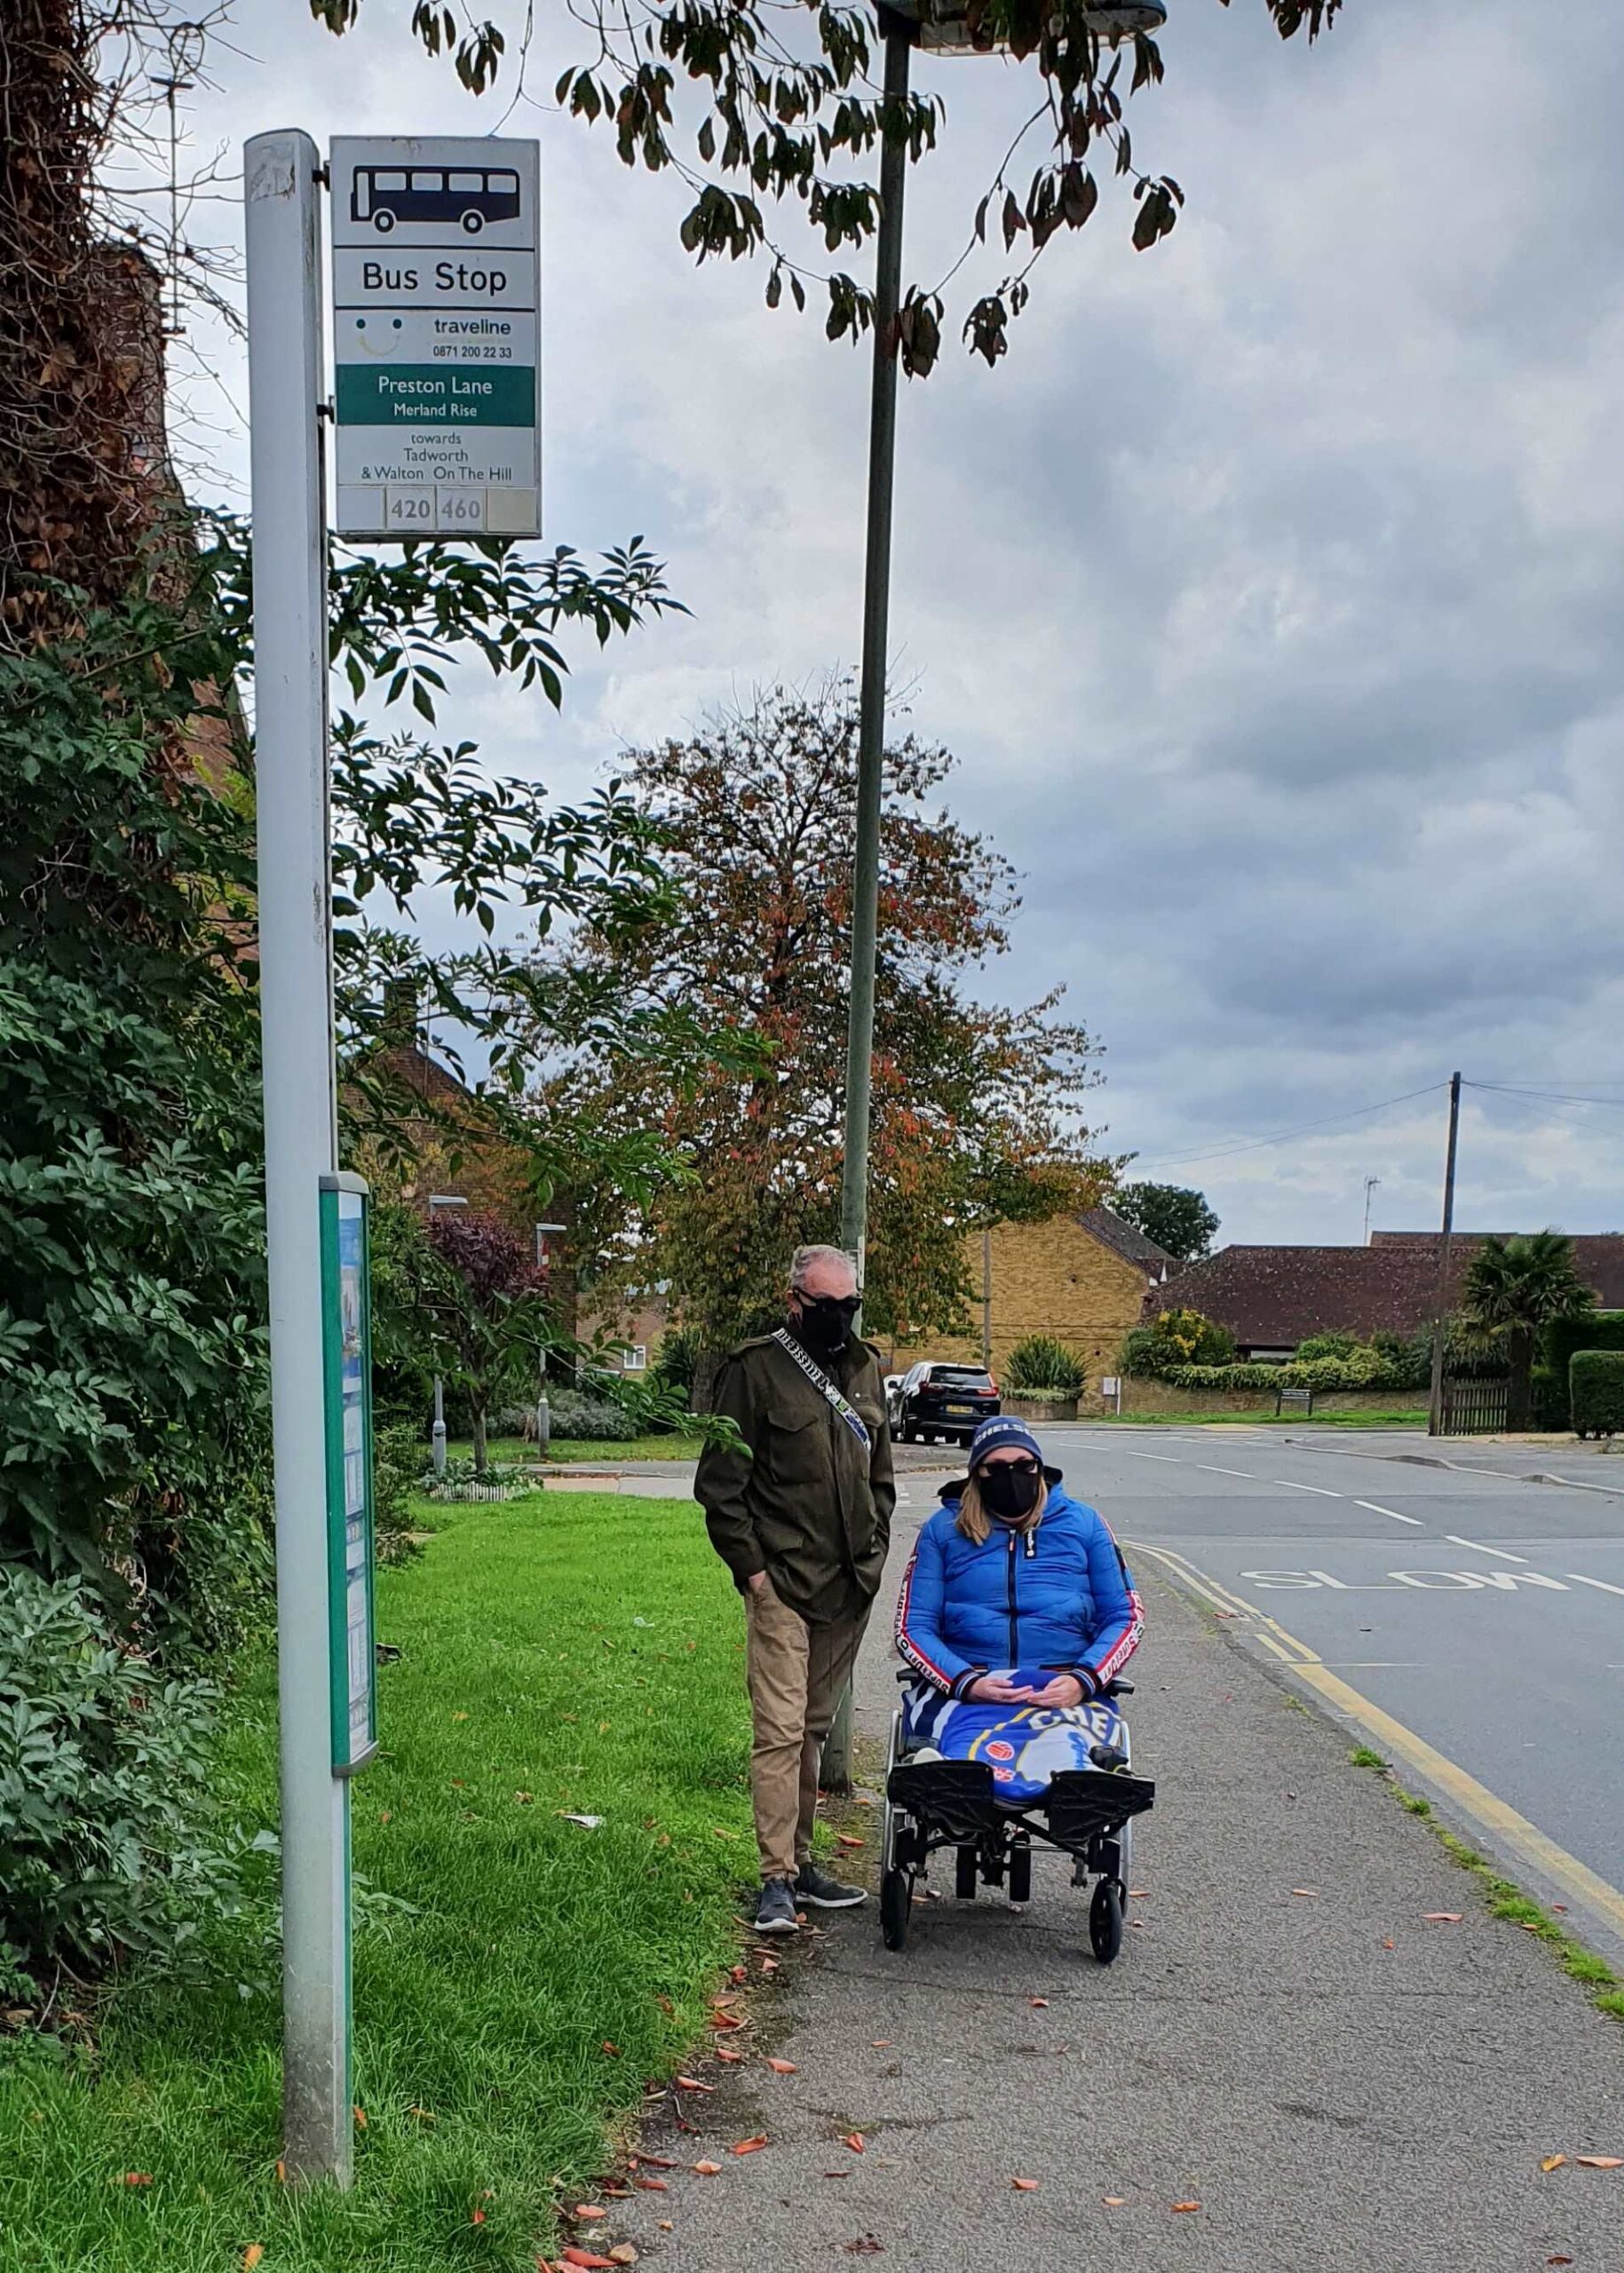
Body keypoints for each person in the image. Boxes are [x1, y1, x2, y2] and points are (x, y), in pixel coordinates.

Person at [695, 1244, 896, 1935]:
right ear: (793, 1302)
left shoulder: (868, 1368)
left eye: (849, 1306)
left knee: (811, 1729)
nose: (838, 1318)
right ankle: (775, 1879)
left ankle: (802, 1865)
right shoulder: (755, 1371)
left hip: (848, 1586)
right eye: (824, 1307)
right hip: (781, 1583)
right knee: (779, 1733)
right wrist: (753, 1574)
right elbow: (721, 1488)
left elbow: (882, 1478)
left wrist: (873, 1554)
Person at [894, 1415, 1143, 1802]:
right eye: (995, 1468)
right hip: (965, 1684)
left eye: (1024, 1466)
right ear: (976, 1475)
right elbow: (913, 1628)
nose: (1012, 1477)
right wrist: (967, 1683)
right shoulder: (942, 1531)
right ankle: (951, 1795)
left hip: (1063, 1684)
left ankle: (1084, 1797)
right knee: (937, 1742)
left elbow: (1125, 1617)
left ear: (1040, 1468)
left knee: (1080, 1746)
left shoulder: (1085, 1524)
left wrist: (1083, 1680)